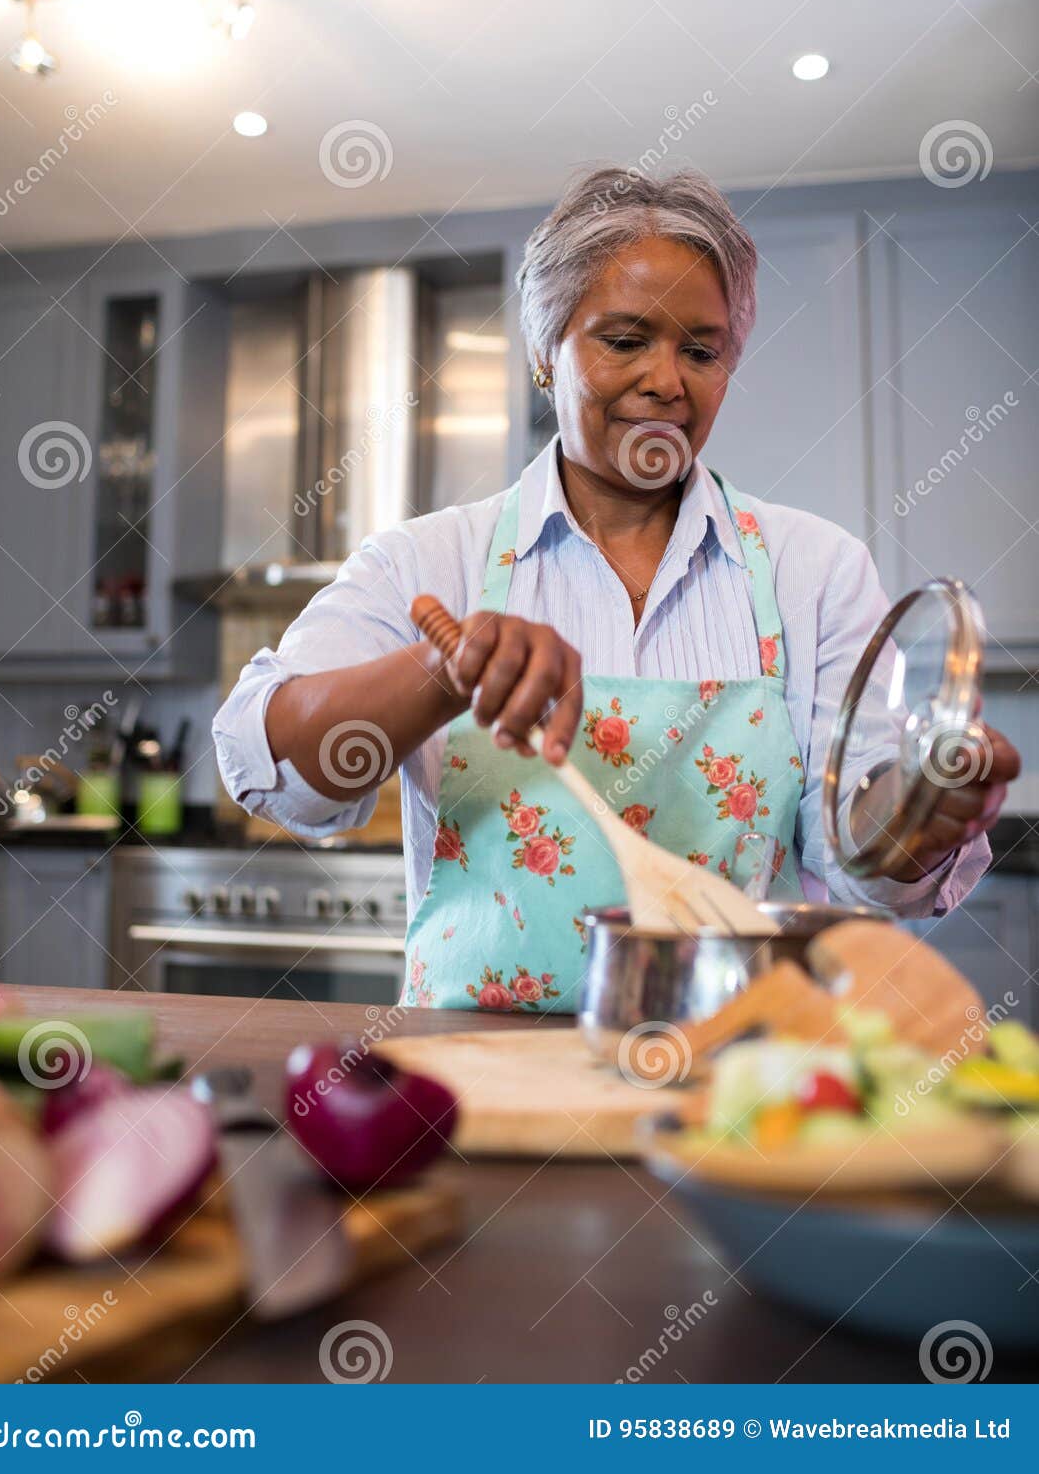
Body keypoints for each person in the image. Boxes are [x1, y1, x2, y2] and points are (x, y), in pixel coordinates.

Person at [214, 167, 1019, 1012]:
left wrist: (922, 806)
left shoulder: (813, 569)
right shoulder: (424, 561)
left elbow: (856, 865)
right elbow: (272, 770)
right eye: (625, 340)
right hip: (476, 1080)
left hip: (736, 1070)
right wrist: (441, 673)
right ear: (542, 352)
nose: (667, 381)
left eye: (700, 351)